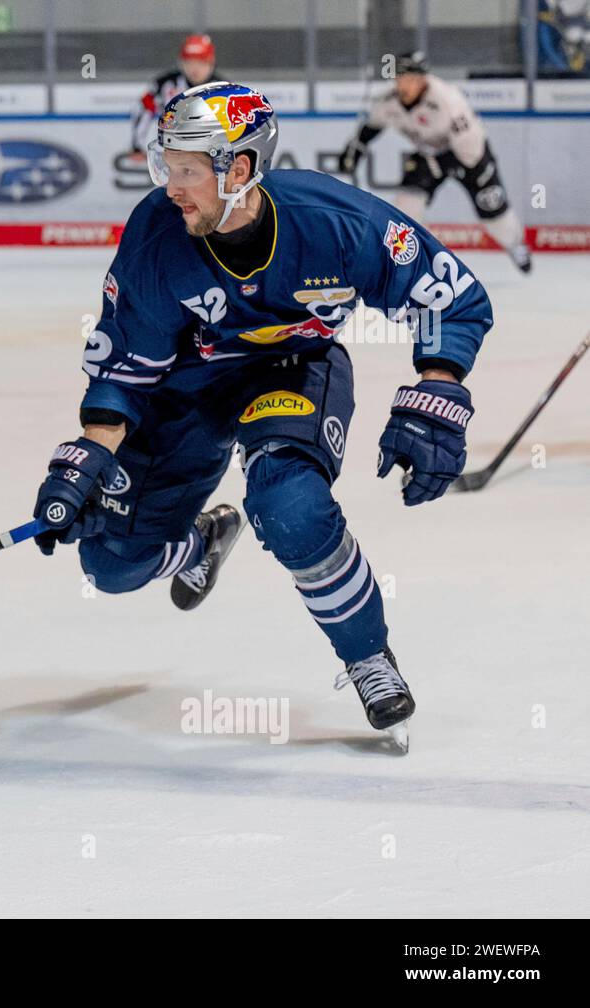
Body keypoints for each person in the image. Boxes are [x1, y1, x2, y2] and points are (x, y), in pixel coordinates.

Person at [33, 81, 493, 749]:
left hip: (291, 370)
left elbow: (448, 297)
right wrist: (87, 455)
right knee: (111, 566)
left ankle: (366, 656)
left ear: (238, 169)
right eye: (167, 164)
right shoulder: (157, 237)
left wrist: (438, 389)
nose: (171, 185)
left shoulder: (333, 222)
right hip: (186, 391)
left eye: (187, 169)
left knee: (290, 504)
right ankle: (201, 541)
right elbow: (124, 369)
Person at [339, 51, 532, 273]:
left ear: (423, 80)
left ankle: (516, 244)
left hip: (471, 155)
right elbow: (371, 127)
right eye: (399, 78)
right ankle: (411, 262)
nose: (403, 85)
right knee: (406, 208)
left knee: (493, 212)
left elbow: (469, 151)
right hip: (428, 154)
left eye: (409, 79)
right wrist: (355, 151)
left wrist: (440, 165)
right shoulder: (389, 101)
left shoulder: (448, 100)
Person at [129, 33, 218, 154]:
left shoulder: (223, 88)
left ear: (211, 62)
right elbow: (144, 107)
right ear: (181, 63)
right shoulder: (166, 84)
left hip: (209, 157)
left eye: (201, 62)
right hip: (171, 155)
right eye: (189, 63)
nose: (195, 68)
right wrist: (137, 147)